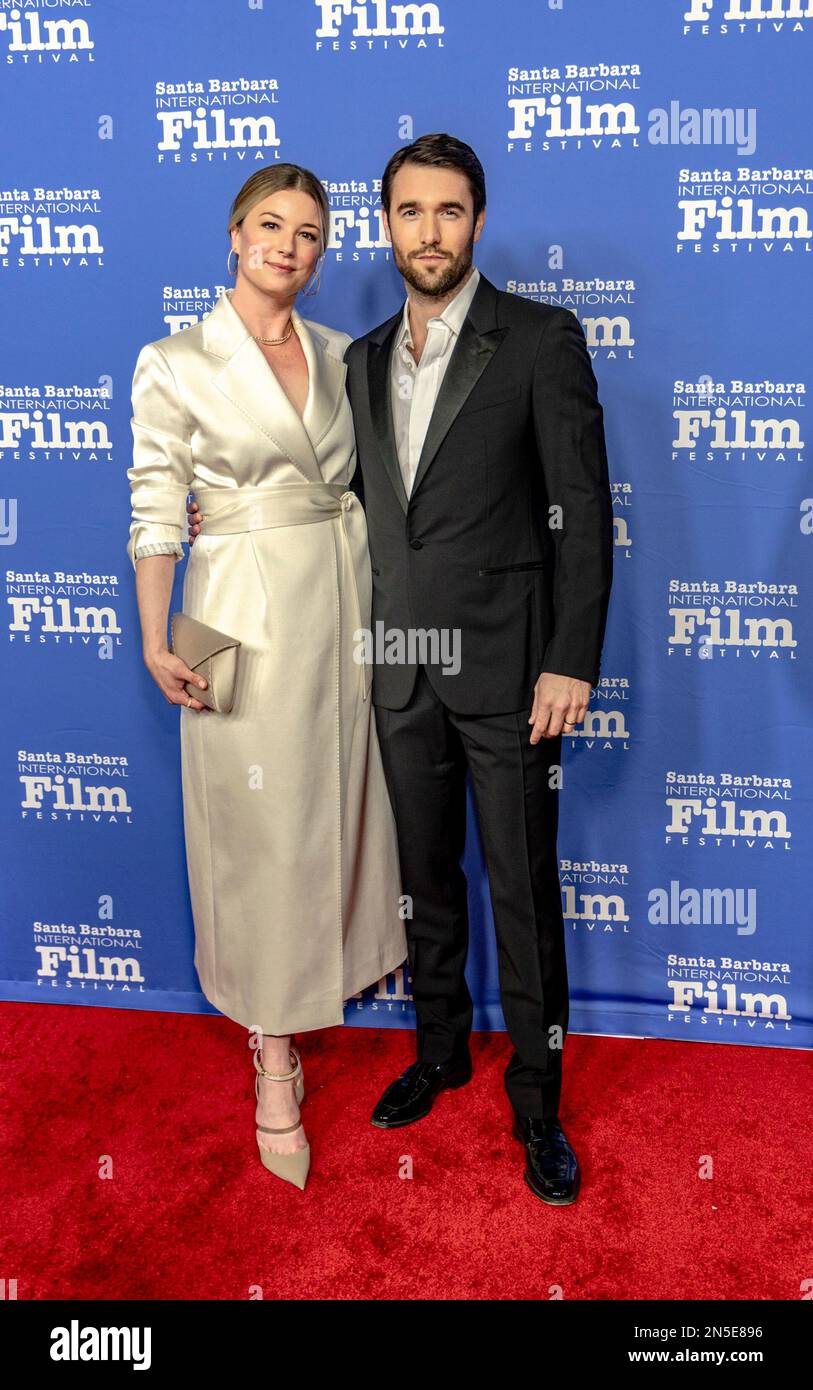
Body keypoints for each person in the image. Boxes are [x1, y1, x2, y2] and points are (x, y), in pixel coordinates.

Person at [187, 134, 614, 1206]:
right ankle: (437, 1050)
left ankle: (537, 1101)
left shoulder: (540, 338)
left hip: (513, 669)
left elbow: (587, 519)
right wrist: (221, 517)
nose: (431, 232)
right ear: (387, 227)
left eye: (451, 211)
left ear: (479, 219)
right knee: (425, 886)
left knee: (521, 888)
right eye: (410, 213)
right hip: (396, 667)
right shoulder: (359, 358)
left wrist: (570, 660)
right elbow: (330, 492)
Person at [126, 164, 407, 1193]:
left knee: (337, 810)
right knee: (254, 830)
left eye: (311, 233)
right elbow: (158, 508)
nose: (291, 245)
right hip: (231, 611)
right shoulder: (176, 360)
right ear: (235, 235)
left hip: (344, 603)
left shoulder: (345, 356)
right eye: (272, 225)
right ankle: (273, 1053)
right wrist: (156, 638)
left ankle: (325, 983)